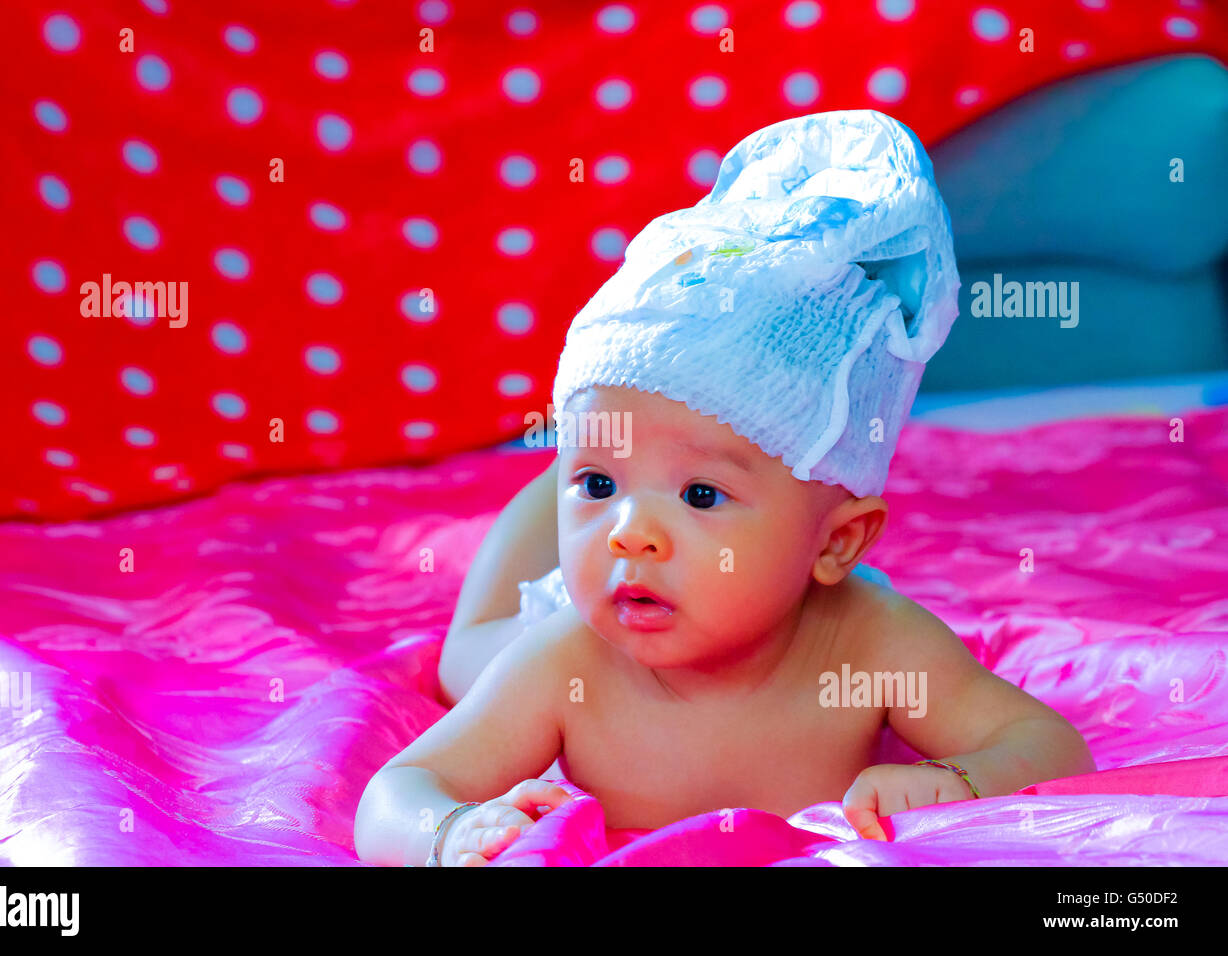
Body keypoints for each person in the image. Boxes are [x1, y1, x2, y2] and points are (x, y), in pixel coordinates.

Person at [354, 110, 1095, 866]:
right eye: (600, 486)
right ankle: (565, 473)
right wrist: (447, 834)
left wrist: (960, 777)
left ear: (836, 541)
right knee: (466, 660)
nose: (628, 530)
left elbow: (1048, 744)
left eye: (701, 495)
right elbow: (398, 790)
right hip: (542, 629)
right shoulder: (565, 661)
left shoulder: (870, 643)